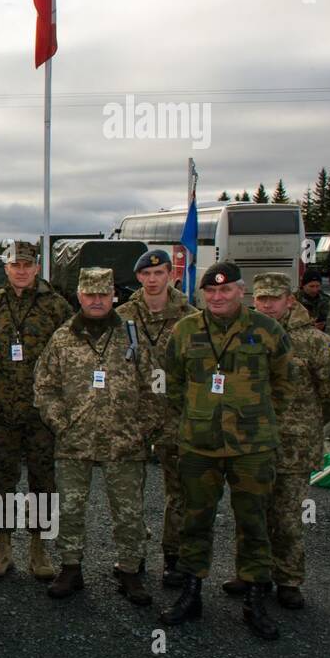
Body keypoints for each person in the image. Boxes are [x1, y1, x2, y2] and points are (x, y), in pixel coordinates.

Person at [160, 262, 291, 640]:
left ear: (241, 291)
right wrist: (196, 417)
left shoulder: (266, 330)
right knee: (195, 520)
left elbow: (283, 383)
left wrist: (261, 419)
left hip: (252, 447)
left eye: (226, 290)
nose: (218, 297)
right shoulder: (185, 330)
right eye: (211, 292)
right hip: (199, 444)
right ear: (202, 295)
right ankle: (192, 591)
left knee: (253, 522)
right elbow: (173, 384)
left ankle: (254, 598)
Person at [34, 268, 157, 605]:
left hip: (124, 440)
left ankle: (130, 571)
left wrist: (142, 427)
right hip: (76, 441)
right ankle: (71, 568)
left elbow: (155, 384)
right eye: (90, 294)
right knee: (71, 509)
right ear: (79, 296)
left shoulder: (132, 334)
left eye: (103, 294)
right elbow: (44, 387)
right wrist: (61, 424)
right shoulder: (62, 338)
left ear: (113, 295)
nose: (97, 300)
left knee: (129, 512)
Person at [230, 272, 330, 608]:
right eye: (262, 299)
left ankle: (289, 579)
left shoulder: (312, 341)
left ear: (289, 300)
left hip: (293, 445)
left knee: (286, 517)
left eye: (274, 299)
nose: (267, 305)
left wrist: (311, 421)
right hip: (250, 442)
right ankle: (251, 572)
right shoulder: (244, 333)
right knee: (250, 511)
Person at [0, 240, 73, 580]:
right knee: (1, 483)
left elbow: (71, 355)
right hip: (2, 410)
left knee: (43, 484)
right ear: (6, 268)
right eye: (14, 265)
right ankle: (2, 548)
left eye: (26, 265)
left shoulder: (56, 306)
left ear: (36, 268)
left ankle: (39, 549)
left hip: (41, 414)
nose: (20, 271)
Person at [115, 248, 197, 586]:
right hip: (132, 415)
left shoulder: (190, 316)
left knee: (178, 491)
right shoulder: (121, 315)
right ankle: (131, 559)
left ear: (170, 274)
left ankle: (174, 557)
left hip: (173, 414)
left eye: (159, 273)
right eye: (146, 275)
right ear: (138, 278)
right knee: (127, 492)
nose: (152, 280)